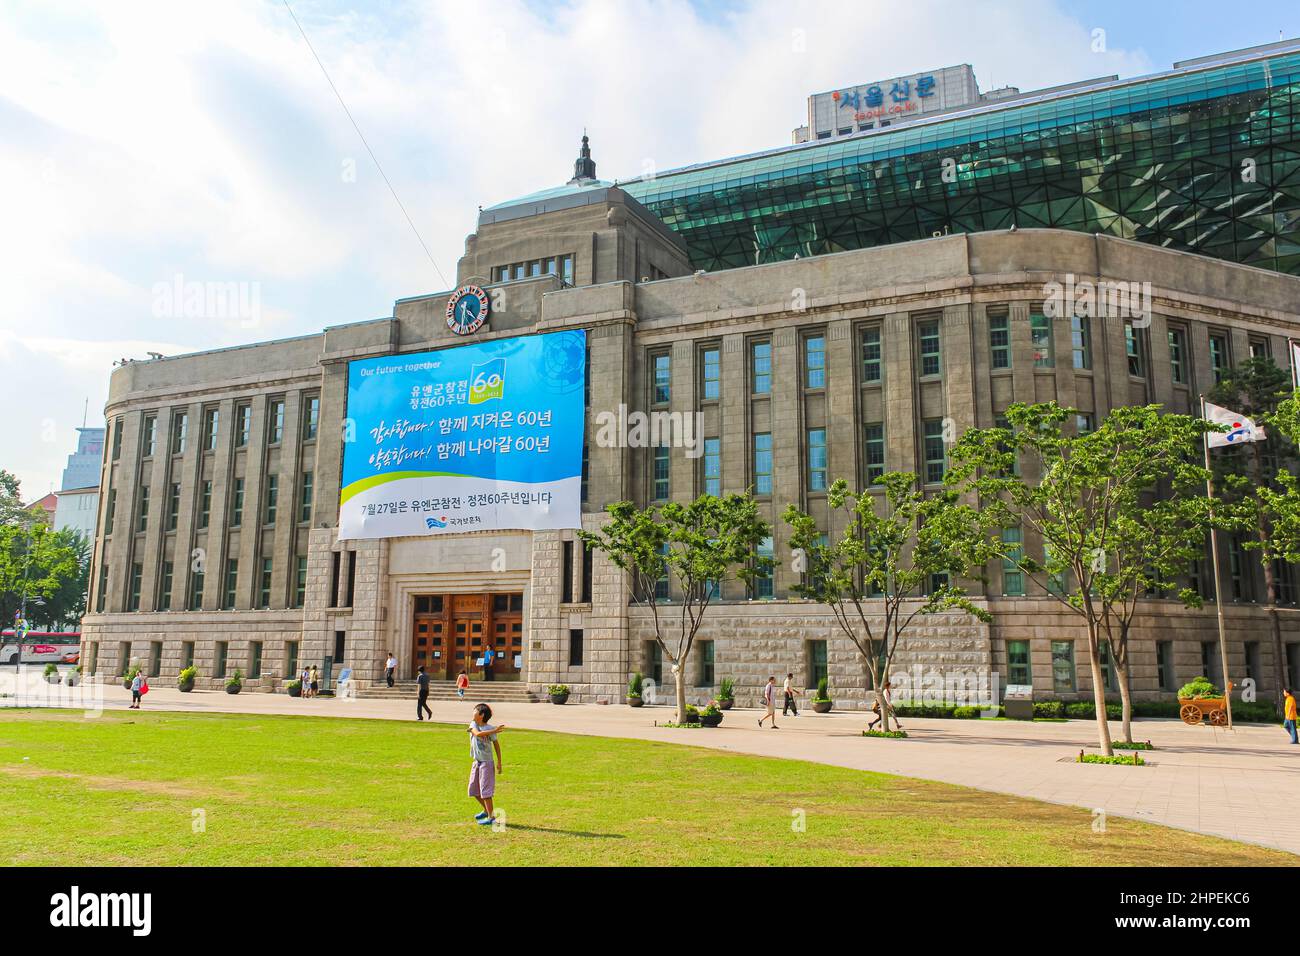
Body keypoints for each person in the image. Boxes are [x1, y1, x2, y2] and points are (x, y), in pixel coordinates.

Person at [467, 703, 504, 826]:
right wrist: (494, 730)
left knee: (485, 791)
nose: (473, 712)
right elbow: (477, 734)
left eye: (475, 711)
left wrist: (499, 762)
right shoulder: (473, 724)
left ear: (481, 715)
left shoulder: (489, 728)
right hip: (476, 762)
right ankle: (486, 810)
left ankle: (491, 817)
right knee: (473, 789)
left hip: (487, 764)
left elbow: (497, 746)